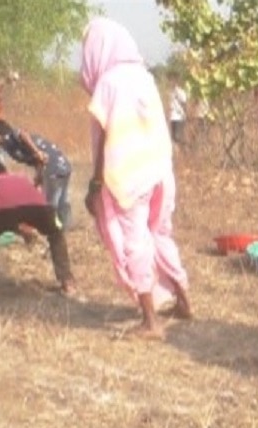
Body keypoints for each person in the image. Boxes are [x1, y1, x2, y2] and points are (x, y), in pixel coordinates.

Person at [80, 17, 191, 339]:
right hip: (159, 170)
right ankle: (184, 302)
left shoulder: (108, 84)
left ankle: (150, 321)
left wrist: (95, 183)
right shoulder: (144, 77)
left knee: (135, 242)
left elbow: (104, 136)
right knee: (161, 234)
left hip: (127, 177)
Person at [0, 161, 76, 294]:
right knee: (56, 235)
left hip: (1, 210)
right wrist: (22, 229)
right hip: (40, 208)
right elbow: (24, 205)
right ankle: (67, 282)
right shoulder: (21, 178)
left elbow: (0, 216)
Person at [0, 120, 73, 229]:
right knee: (62, 201)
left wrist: (37, 152)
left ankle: (53, 228)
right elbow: (37, 160)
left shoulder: (9, 138)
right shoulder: (11, 143)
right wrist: (39, 175)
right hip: (61, 165)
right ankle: (65, 227)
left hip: (53, 167)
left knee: (51, 203)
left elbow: (22, 134)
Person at [167, 73, 187, 148]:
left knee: (177, 137)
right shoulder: (171, 92)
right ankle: (176, 150)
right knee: (174, 137)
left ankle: (179, 150)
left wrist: (184, 113)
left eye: (172, 81)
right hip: (173, 116)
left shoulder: (180, 92)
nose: (170, 82)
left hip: (179, 116)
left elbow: (184, 102)